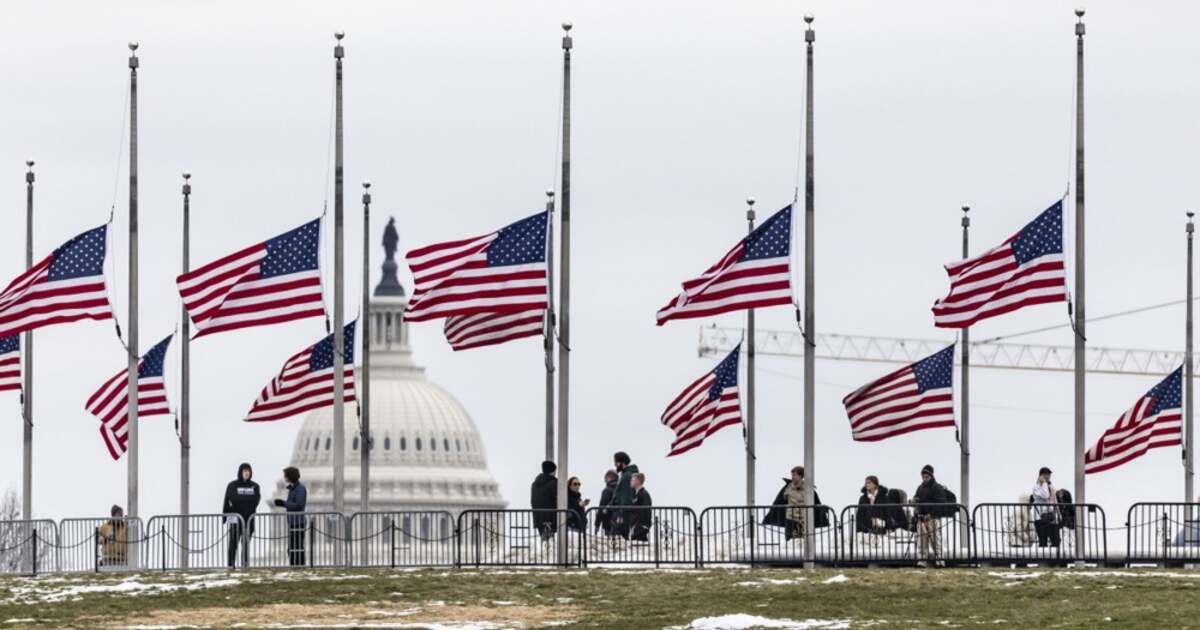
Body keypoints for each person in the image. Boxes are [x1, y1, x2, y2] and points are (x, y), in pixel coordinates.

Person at [763, 466, 829, 540]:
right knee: (790, 541)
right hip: (790, 517)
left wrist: (823, 510)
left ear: (800, 476)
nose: (792, 477)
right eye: (792, 475)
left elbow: (816, 501)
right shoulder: (788, 487)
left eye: (794, 475)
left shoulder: (808, 488)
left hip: (804, 518)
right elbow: (779, 501)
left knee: (805, 540)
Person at [222, 462, 261, 568]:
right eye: (244, 471)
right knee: (233, 544)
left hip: (249, 520)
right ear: (240, 472)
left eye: (248, 471)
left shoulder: (255, 486)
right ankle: (231, 565)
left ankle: (245, 565)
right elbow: (229, 499)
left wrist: (240, 500)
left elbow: (255, 500)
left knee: (246, 544)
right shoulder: (232, 485)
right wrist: (225, 516)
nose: (246, 473)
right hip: (235, 520)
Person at [914, 464, 949, 564]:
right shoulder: (920, 488)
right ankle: (922, 560)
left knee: (936, 540)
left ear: (931, 476)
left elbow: (941, 503)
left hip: (933, 518)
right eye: (923, 476)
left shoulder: (937, 488)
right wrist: (915, 502)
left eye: (926, 476)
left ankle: (940, 560)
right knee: (922, 541)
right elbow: (917, 500)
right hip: (922, 518)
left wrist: (931, 514)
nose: (924, 478)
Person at [273, 466, 307, 566]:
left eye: (285, 475)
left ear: (290, 476)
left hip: (298, 522)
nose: (284, 477)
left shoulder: (300, 488)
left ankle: (299, 566)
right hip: (293, 522)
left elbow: (299, 505)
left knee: (297, 547)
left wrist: (283, 503)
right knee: (292, 547)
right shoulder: (293, 488)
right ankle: (294, 566)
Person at [1031, 467, 1061, 548]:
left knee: (1056, 541)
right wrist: (1044, 483)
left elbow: (1055, 501)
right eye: (1045, 475)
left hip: (1052, 517)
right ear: (1041, 476)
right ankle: (1043, 560)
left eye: (1049, 474)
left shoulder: (1051, 486)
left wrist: (1059, 515)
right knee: (1043, 543)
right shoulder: (1036, 487)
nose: (1048, 476)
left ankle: (1054, 560)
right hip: (1041, 518)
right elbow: (1045, 495)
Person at [611, 452, 640, 536]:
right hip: (624, 514)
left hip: (623, 516)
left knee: (619, 540)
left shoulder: (627, 476)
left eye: (616, 462)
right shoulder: (626, 475)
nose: (615, 464)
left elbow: (626, 497)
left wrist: (621, 515)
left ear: (621, 462)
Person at [530, 460, 559, 540]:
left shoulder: (535, 484)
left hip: (539, 518)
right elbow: (558, 498)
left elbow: (532, 501)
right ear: (553, 471)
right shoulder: (554, 483)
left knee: (545, 542)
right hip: (552, 518)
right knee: (552, 543)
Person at [627, 473, 653, 542]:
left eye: (632, 480)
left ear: (637, 481)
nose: (630, 482)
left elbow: (647, 510)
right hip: (636, 526)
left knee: (639, 546)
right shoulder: (636, 495)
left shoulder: (644, 494)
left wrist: (645, 525)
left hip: (641, 526)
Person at [595, 470, 619, 536]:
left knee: (610, 543)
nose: (604, 480)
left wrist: (597, 524)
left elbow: (601, 507)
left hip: (609, 522)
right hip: (621, 523)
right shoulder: (621, 490)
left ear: (609, 477)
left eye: (605, 478)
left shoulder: (607, 490)